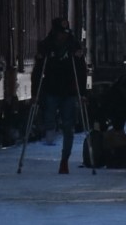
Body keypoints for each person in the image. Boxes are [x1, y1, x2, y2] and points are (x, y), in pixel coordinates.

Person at [31, 16, 85, 173]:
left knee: (68, 126)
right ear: (54, 32)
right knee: (49, 114)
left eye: (65, 32)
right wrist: (35, 92)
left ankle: (64, 160)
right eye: (61, 33)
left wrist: (82, 93)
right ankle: (49, 130)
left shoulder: (74, 46)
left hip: (69, 91)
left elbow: (81, 71)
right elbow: (37, 71)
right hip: (51, 89)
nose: (64, 35)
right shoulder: (46, 46)